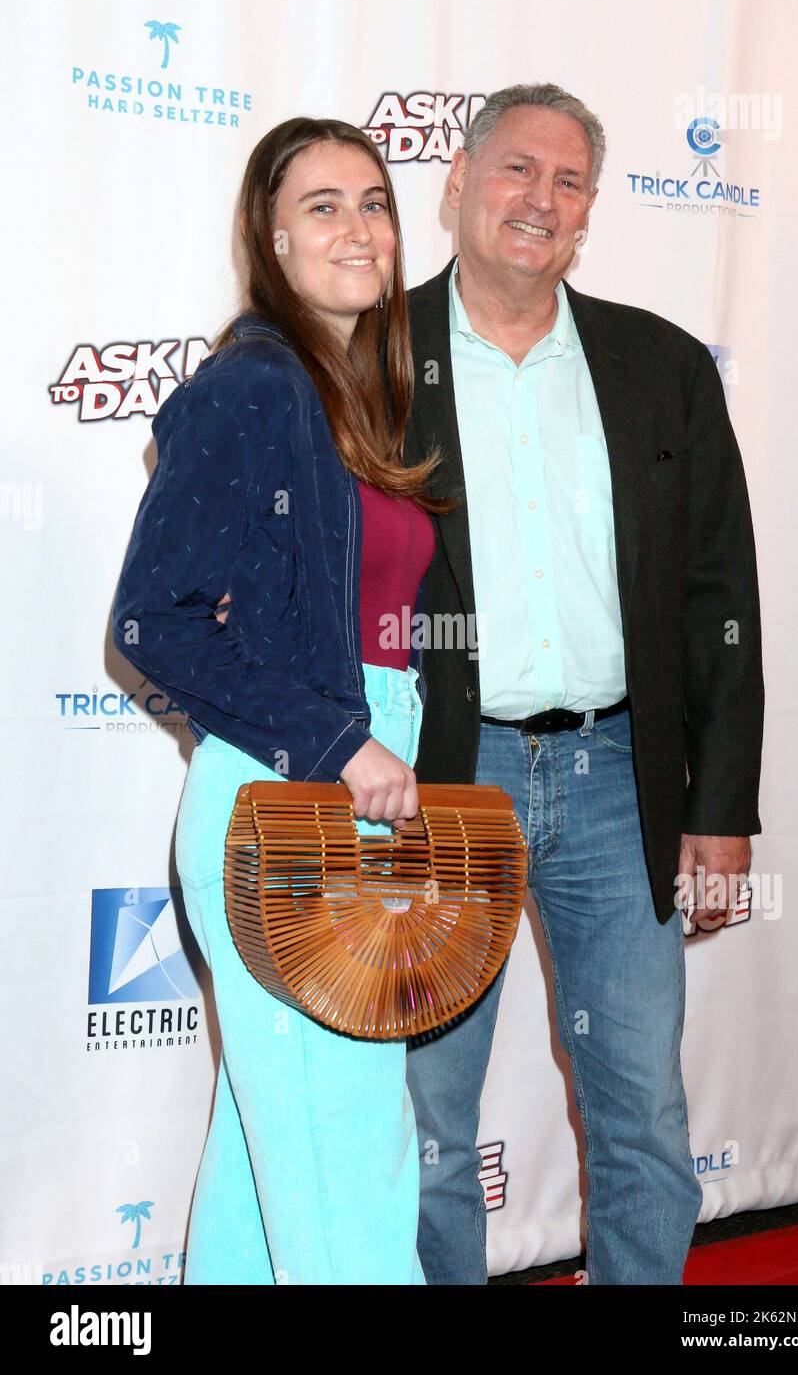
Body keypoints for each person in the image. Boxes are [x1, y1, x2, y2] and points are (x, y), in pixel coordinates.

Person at [400, 83, 765, 1285]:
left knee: (642, 1118)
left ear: (589, 212)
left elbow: (720, 598)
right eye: (514, 169)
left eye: (565, 182)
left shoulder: (659, 365)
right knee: (428, 1127)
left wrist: (716, 806)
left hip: (617, 778)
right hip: (440, 781)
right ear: (457, 181)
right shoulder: (371, 356)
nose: (537, 199)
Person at [110, 116, 454, 1285]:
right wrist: (335, 741)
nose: (357, 227)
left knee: (270, 1188)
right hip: (287, 800)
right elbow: (152, 620)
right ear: (270, 235)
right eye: (321, 205)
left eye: (372, 201)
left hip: (350, 794)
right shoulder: (254, 386)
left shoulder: (339, 395)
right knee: (344, 1163)